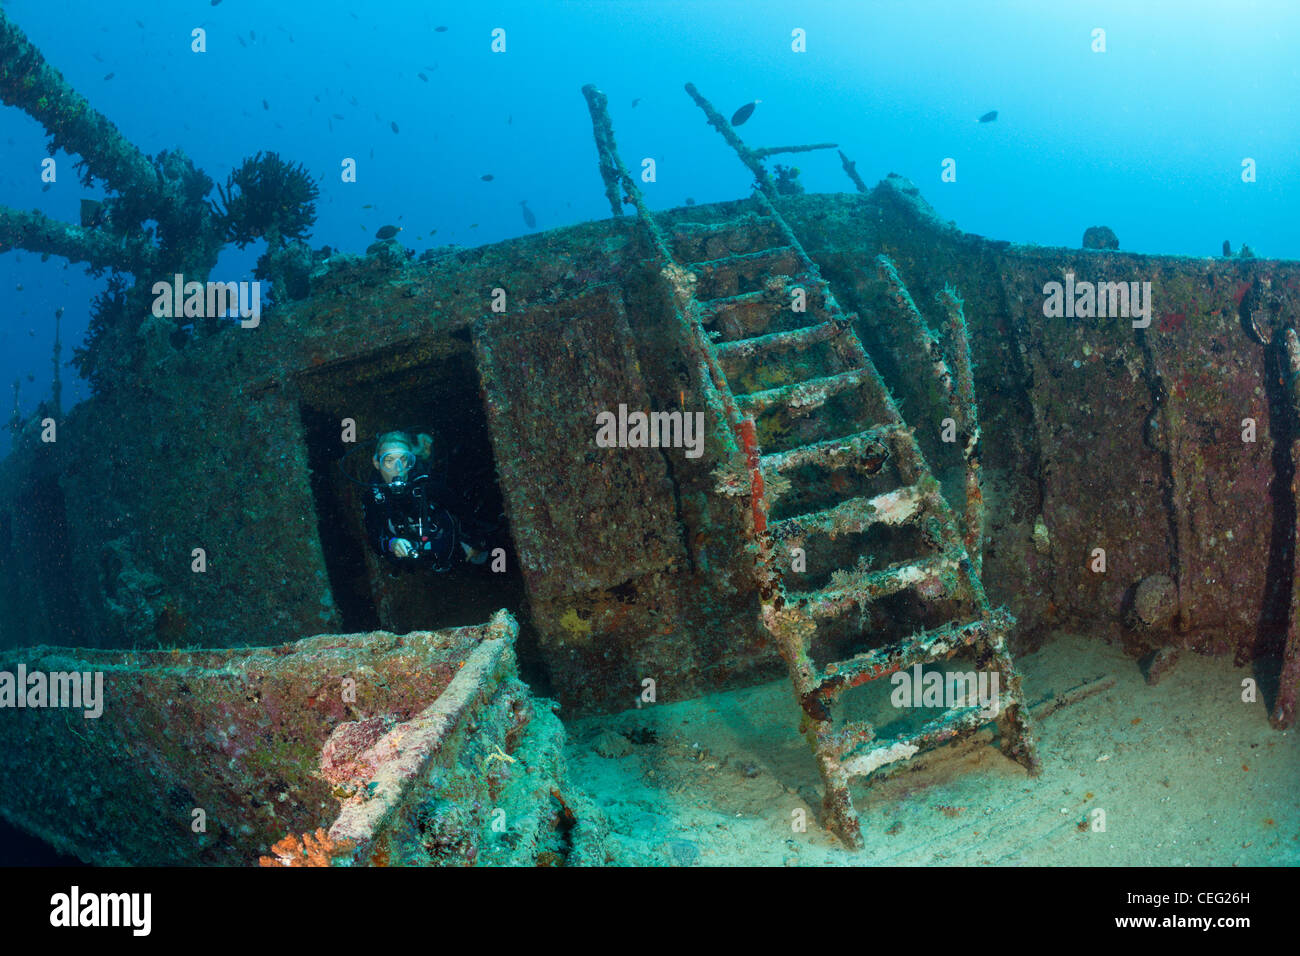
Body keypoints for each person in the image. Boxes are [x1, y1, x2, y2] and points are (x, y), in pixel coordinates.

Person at [362, 430, 489, 571]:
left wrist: (475, 542)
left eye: (404, 459)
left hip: (453, 555)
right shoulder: (373, 497)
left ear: (411, 460)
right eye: (389, 460)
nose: (398, 469)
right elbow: (374, 537)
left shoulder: (427, 485)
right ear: (376, 462)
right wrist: (392, 544)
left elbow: (463, 512)